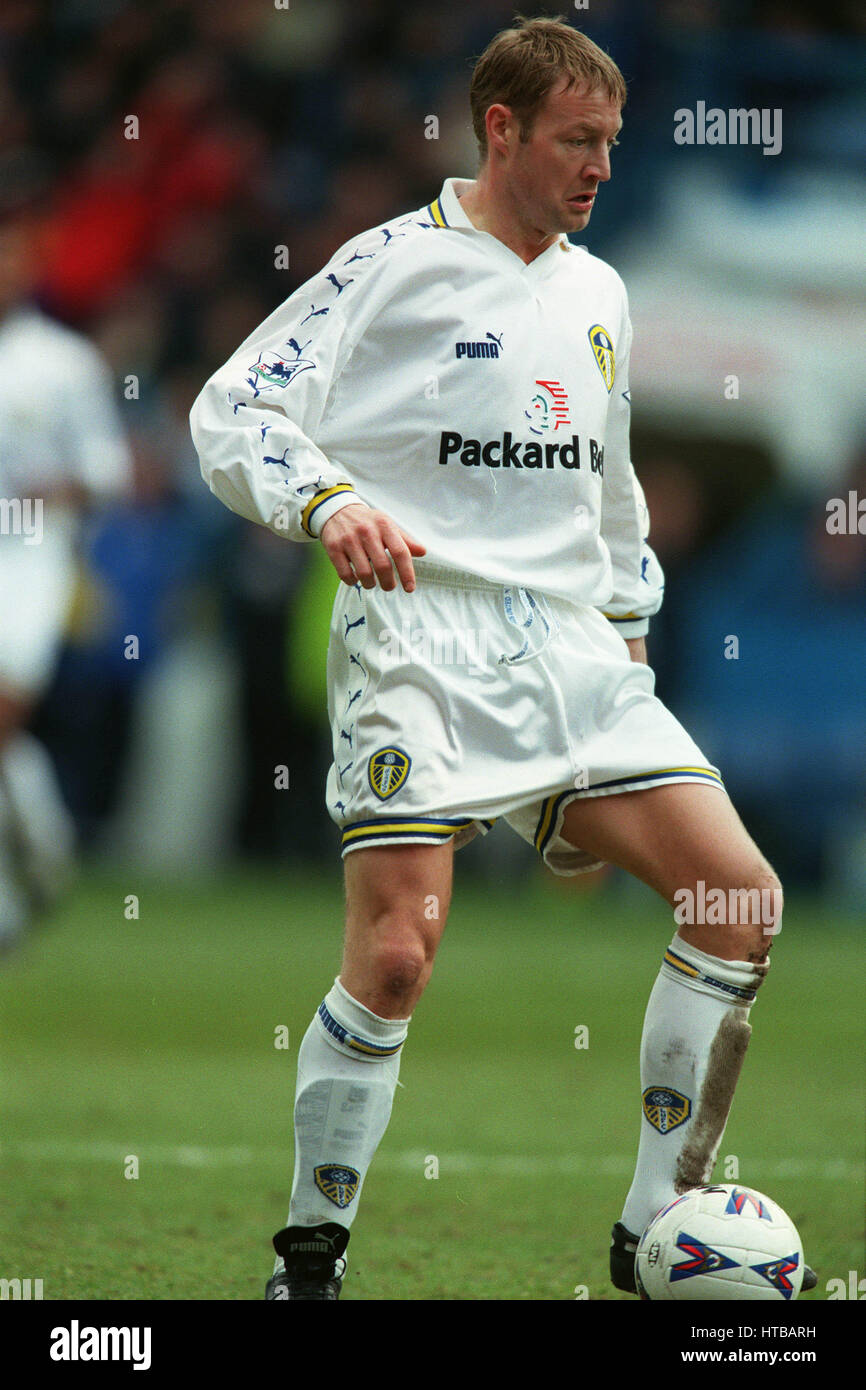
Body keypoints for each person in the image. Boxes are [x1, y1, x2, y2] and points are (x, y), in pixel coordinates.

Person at [191, 17, 813, 1300]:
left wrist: (627, 620)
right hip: (419, 633)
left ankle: (651, 1235)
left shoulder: (599, 292)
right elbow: (231, 407)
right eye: (577, 140)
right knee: (397, 957)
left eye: (612, 144)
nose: (599, 167)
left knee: (734, 903)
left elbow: (609, 483)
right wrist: (325, 504)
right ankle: (308, 1260)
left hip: (575, 654)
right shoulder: (392, 264)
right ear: (500, 129)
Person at [0, 207, 131, 948]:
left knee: (5, 711)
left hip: (28, 557)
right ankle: (36, 855)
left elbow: (104, 472)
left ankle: (26, 877)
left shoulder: (61, 364)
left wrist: (33, 500)